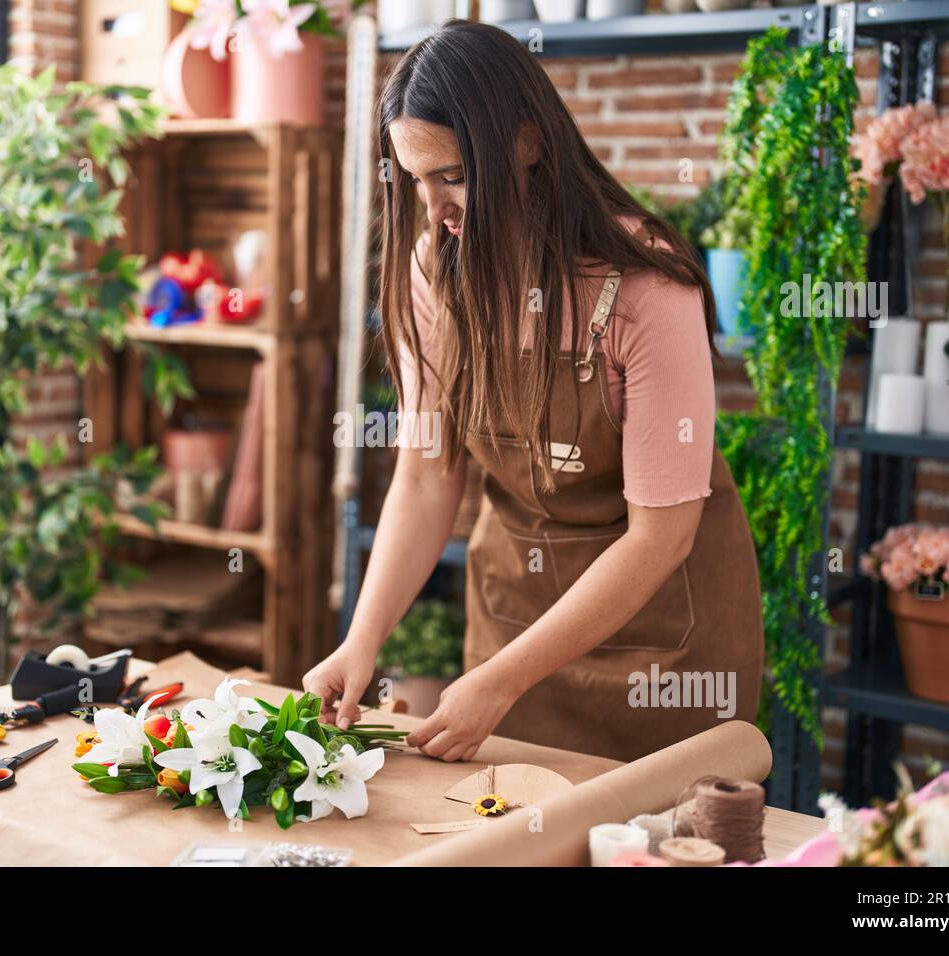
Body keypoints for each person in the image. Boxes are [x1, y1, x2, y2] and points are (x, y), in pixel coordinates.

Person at [305, 20, 764, 763]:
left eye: (452, 176)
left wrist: (499, 679)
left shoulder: (646, 286)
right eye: (414, 180)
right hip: (513, 623)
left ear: (526, 143)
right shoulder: (435, 268)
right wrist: (363, 640)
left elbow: (661, 537)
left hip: (664, 656)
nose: (433, 210)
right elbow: (425, 477)